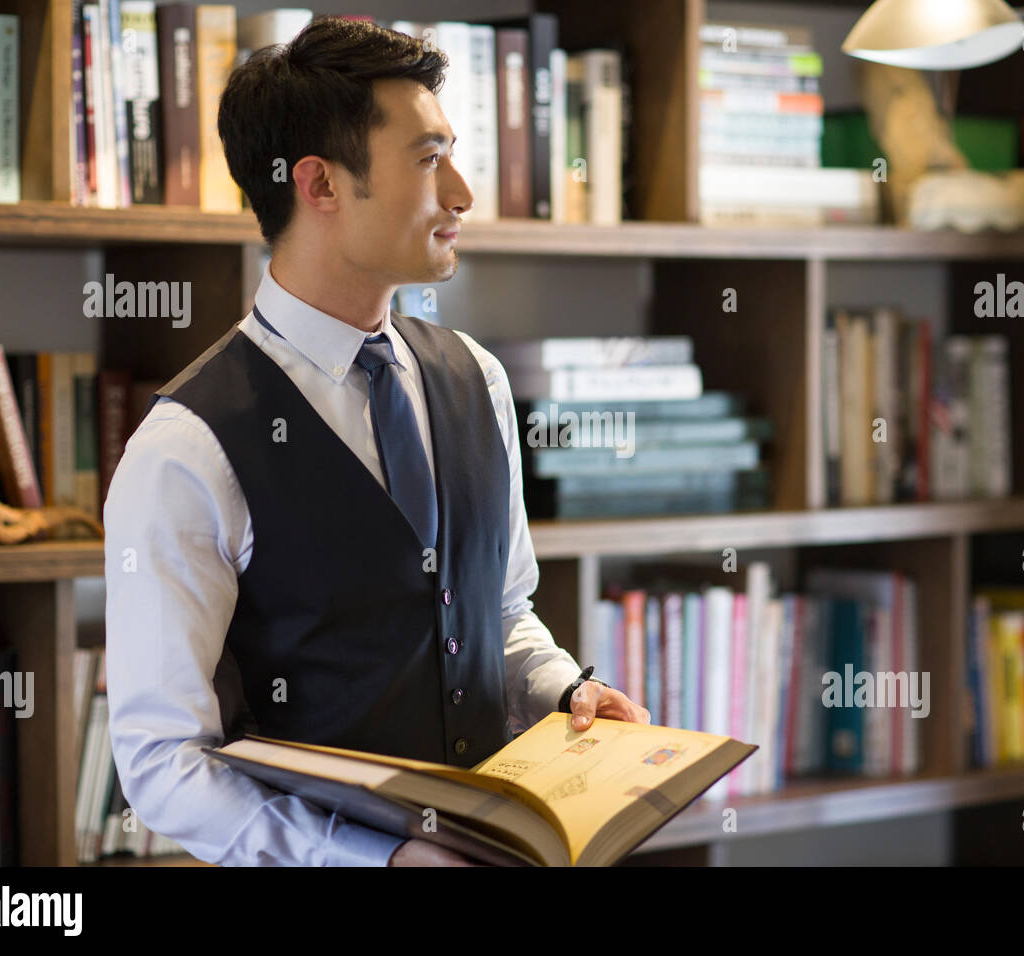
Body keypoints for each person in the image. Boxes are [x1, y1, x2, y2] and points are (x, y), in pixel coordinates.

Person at [103, 17, 649, 868]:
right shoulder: (186, 450)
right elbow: (162, 761)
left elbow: (498, 614)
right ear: (319, 185)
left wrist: (566, 690)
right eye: (429, 161)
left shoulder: (477, 377)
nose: (462, 194)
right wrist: (372, 860)